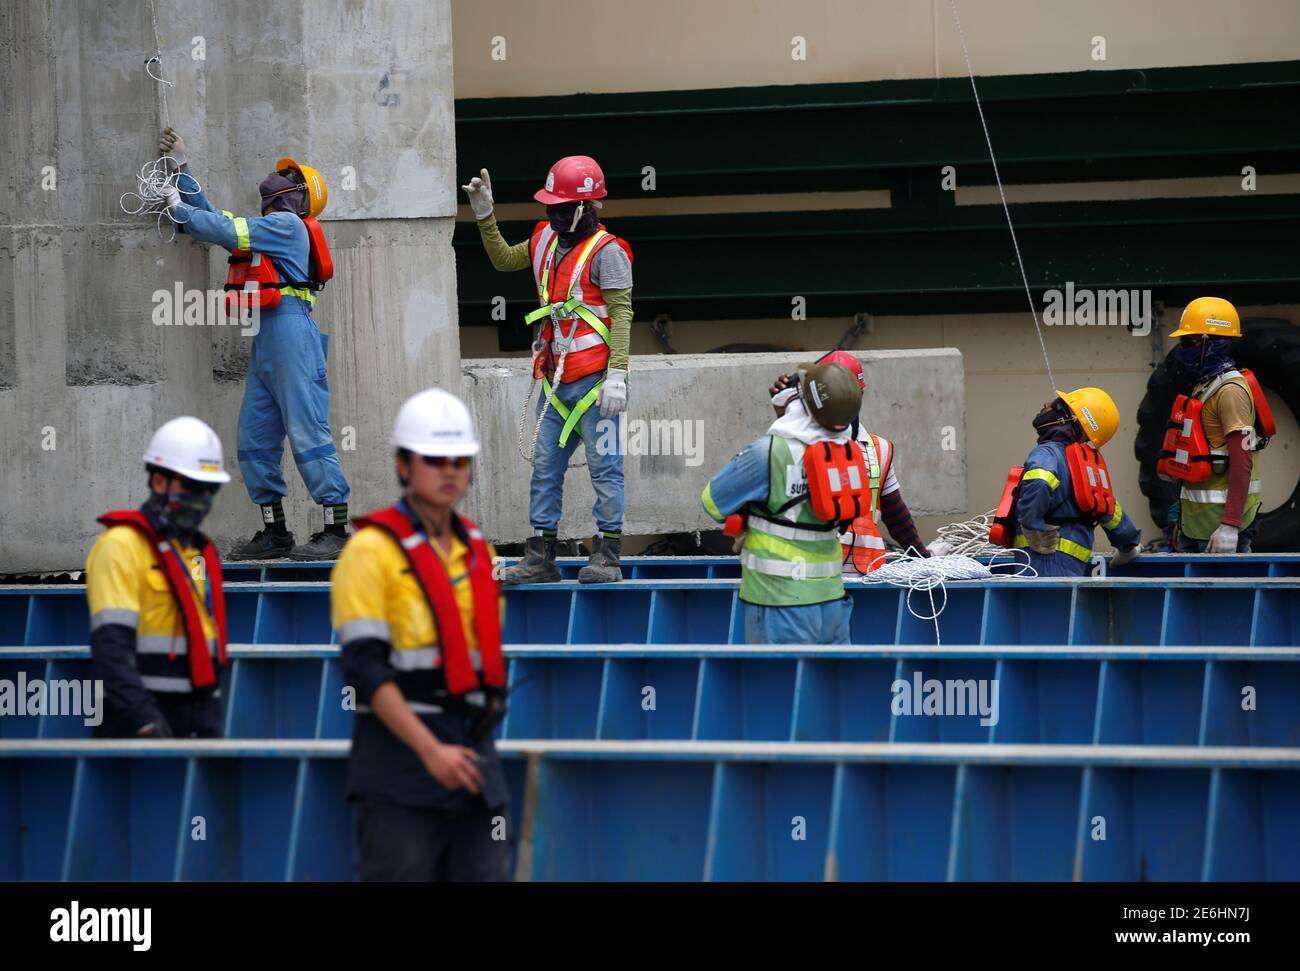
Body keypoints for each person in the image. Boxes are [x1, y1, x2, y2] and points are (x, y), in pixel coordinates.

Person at [331, 388, 510, 881]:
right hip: (400, 769)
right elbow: (365, 669)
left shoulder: (480, 551)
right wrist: (431, 753)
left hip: (475, 763)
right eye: (435, 459)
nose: (450, 470)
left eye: (460, 460)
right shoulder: (369, 552)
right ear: (404, 465)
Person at [158, 127, 351, 561]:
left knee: (307, 431)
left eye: (288, 177)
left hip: (290, 334)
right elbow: (218, 220)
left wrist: (180, 213)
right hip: (269, 338)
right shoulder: (269, 227)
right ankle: (275, 531)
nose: (276, 178)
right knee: (254, 437)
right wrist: (183, 172)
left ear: (299, 196)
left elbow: (223, 230)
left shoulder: (286, 225)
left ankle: (337, 530)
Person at [461, 157, 633, 584]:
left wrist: (618, 375)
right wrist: (485, 215)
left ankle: (607, 557)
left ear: (585, 206)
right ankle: (541, 558)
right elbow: (503, 260)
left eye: (560, 208)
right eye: (549, 208)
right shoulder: (544, 239)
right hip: (555, 382)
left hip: (596, 384)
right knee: (544, 468)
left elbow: (622, 313)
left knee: (606, 468)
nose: (552, 215)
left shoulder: (608, 253)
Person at [85, 417, 231, 737]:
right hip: (137, 724)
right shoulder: (122, 546)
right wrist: (143, 720)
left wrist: (210, 723)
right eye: (192, 487)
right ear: (159, 482)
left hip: (197, 718)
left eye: (210, 489)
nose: (202, 498)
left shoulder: (200, 553)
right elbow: (111, 647)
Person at [702, 362, 865, 644]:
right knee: (828, 688)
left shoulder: (769, 451)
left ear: (798, 400)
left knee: (776, 688)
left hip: (779, 601)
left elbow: (713, 503)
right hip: (832, 603)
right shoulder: (848, 453)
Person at [769, 350, 931, 571]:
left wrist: (925, 559)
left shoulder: (879, 450)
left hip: (866, 577)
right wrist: (786, 414)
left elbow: (896, 515)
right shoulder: (798, 442)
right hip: (811, 575)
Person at [1161, 297, 1265, 553]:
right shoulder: (1205, 387)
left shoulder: (1230, 392)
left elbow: (1242, 461)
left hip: (1219, 531)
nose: (1183, 349)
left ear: (1211, 342)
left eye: (1188, 342)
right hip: (1194, 526)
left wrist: (1230, 526)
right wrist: (1180, 517)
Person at [1006, 388, 1141, 576]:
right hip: (1071, 567)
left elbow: (1039, 483)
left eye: (1056, 406)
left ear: (1072, 419)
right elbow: (1109, 509)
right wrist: (1128, 546)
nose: (1046, 407)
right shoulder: (1085, 468)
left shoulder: (1048, 453)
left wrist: (1031, 526)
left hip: (1041, 563)